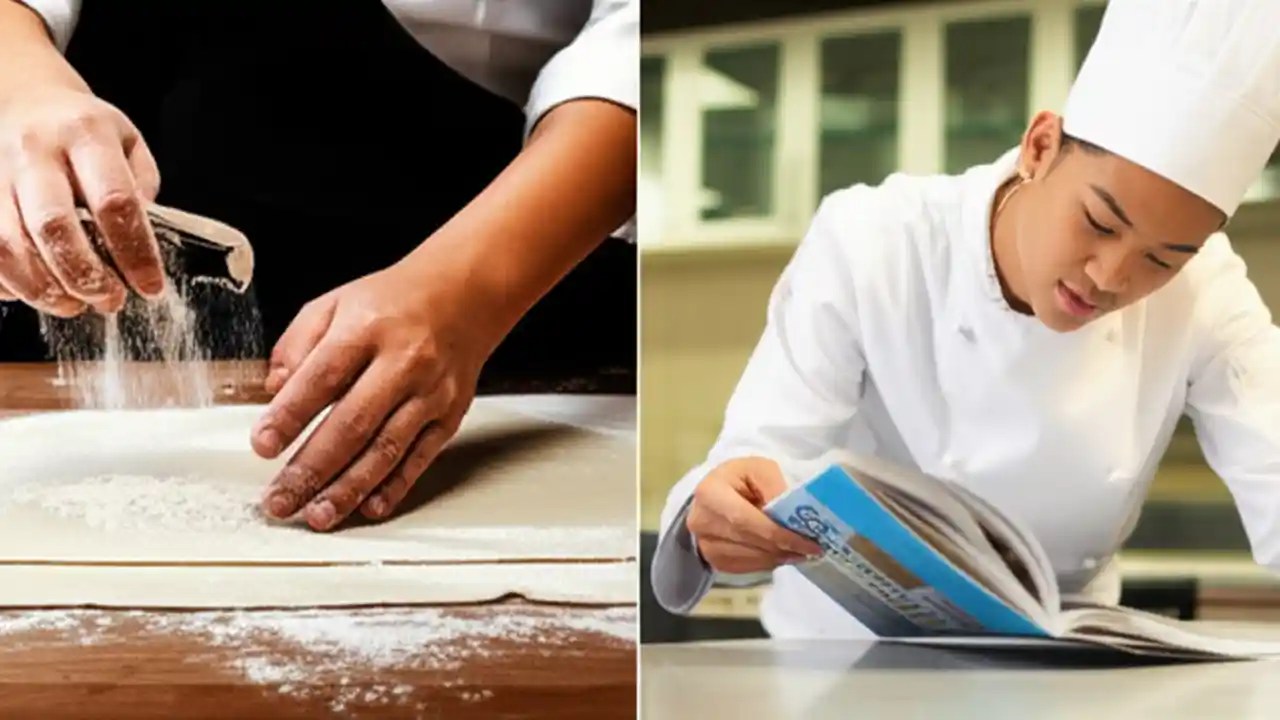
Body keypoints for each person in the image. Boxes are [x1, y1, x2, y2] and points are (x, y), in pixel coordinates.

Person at [651, 0, 1280, 639]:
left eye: (1161, 260)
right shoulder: (875, 241)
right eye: (1098, 222)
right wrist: (725, 518)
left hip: (1065, 679)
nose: (1111, 276)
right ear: (1040, 147)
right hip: (837, 669)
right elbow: (756, 458)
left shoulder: (1207, 289)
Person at [0, 1, 637, 531]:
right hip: (84, 200)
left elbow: (637, 45)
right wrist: (19, 85)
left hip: (507, 252)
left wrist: (472, 289)